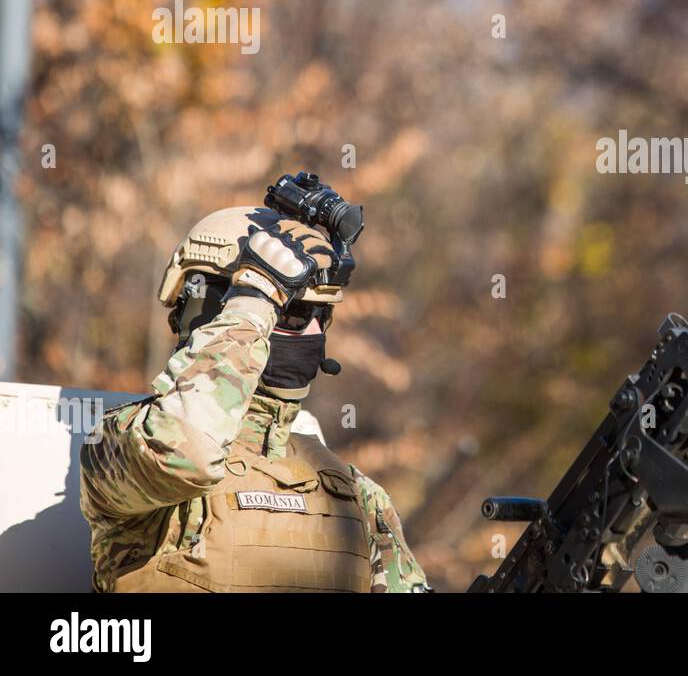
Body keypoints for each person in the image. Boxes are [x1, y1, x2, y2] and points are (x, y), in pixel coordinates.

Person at [79, 200, 428, 592]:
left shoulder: (357, 496)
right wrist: (257, 297)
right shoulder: (121, 440)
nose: (314, 333)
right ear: (213, 310)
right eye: (293, 312)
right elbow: (188, 453)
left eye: (322, 316)